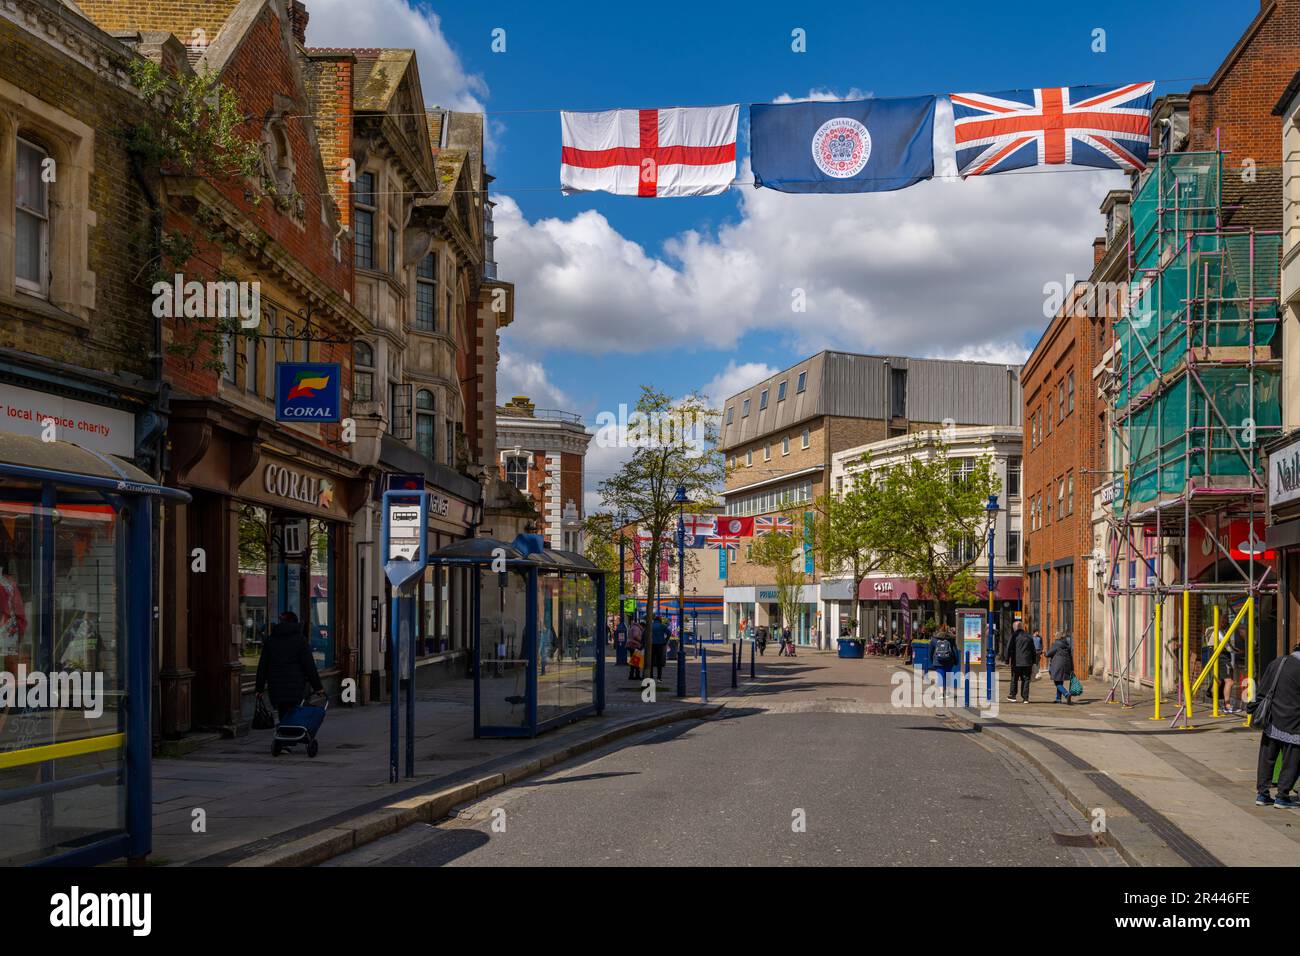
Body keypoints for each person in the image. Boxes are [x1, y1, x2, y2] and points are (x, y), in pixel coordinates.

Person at [1253, 641, 1300, 808]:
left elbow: (1263, 689)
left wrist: (1254, 708)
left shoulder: (1278, 662)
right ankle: (1282, 796)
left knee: (1267, 757)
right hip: (1294, 723)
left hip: (1271, 719)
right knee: (1292, 760)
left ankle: (1262, 794)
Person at [255, 611, 324, 721]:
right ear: (295, 623)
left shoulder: (271, 640)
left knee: (283, 711)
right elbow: (309, 666)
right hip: (296, 685)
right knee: (296, 712)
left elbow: (263, 665)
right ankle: (293, 733)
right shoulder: (300, 640)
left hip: (276, 685)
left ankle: (284, 731)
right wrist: (318, 687)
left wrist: (259, 688)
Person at [1005, 621, 1036, 703]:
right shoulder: (1029, 636)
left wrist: (1007, 660)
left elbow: (1008, 648)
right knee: (1026, 679)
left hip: (1016, 662)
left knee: (1014, 678)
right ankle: (1025, 698)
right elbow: (1033, 650)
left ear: (1015, 628)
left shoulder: (1014, 636)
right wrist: (1034, 661)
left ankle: (1013, 695)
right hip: (1027, 662)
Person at [1046, 632, 1075, 704]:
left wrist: (1044, 653)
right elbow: (1071, 657)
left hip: (1057, 665)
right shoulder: (1067, 645)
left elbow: (1048, 654)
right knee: (1060, 681)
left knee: (1057, 682)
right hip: (1066, 665)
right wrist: (1072, 668)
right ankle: (1058, 698)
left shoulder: (1056, 644)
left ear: (1057, 637)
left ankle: (1066, 694)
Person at [650, 615, 669, 682]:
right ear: (660, 620)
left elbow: (645, 634)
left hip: (651, 645)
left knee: (651, 661)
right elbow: (669, 633)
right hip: (660, 645)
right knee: (659, 662)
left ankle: (651, 676)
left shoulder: (650, 625)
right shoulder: (662, 626)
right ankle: (659, 677)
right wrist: (666, 640)